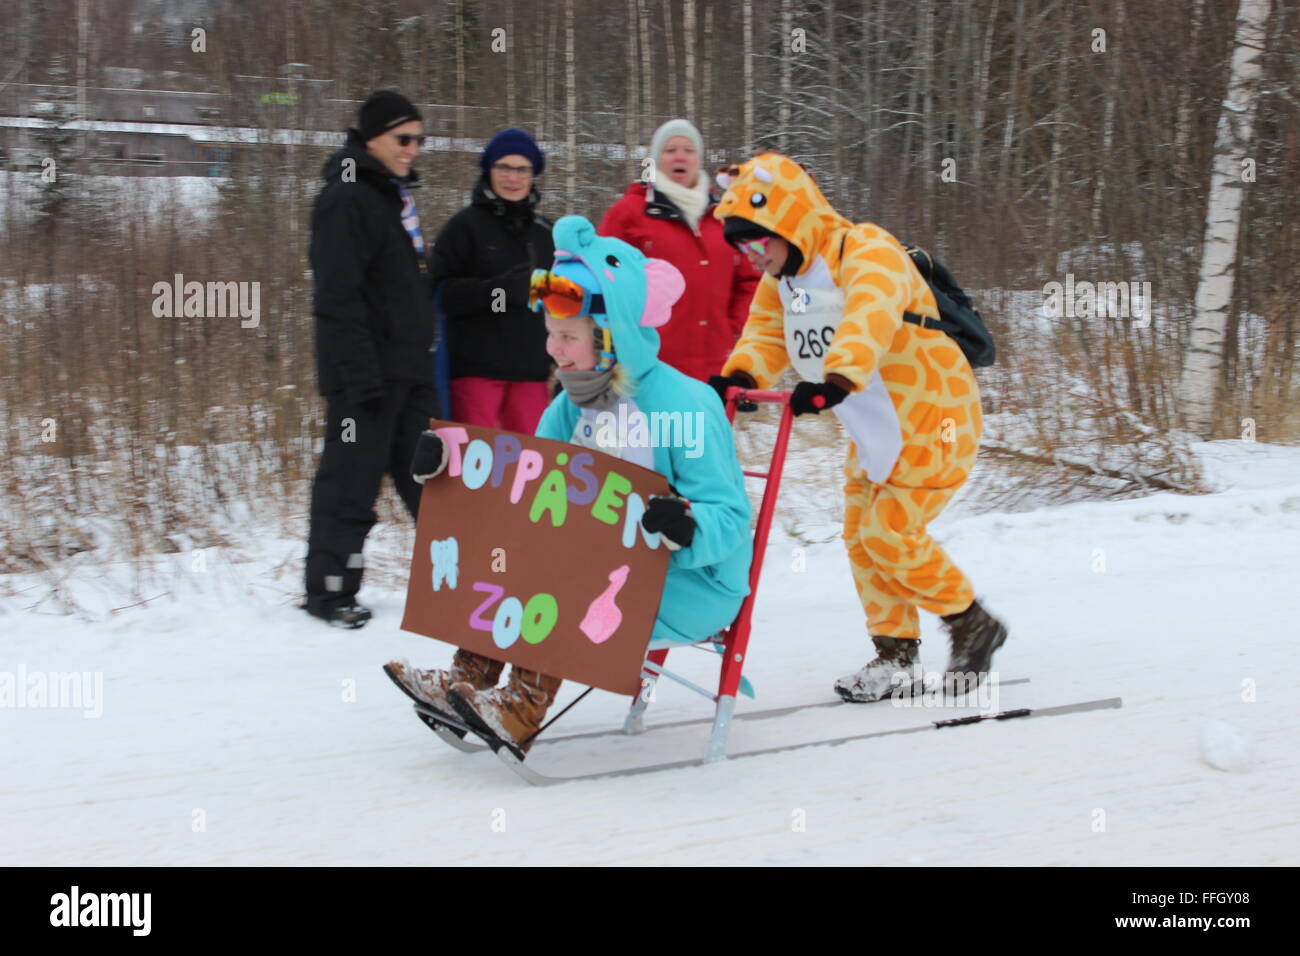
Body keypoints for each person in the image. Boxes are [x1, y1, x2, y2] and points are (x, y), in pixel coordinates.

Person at [387, 214, 753, 758]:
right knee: (514, 551)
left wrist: (686, 521)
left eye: (567, 337)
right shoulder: (568, 407)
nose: (553, 351)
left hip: (694, 581)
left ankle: (521, 706)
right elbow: (521, 494)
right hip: (611, 569)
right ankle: (469, 681)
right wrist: (452, 469)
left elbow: (731, 518)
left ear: (611, 336)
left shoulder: (687, 405)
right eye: (550, 335)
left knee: (565, 569)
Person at [709, 152, 1008, 700]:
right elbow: (765, 334)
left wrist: (836, 379)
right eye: (742, 250)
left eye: (757, 244)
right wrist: (738, 377)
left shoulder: (864, 247)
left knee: (888, 533)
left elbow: (870, 312)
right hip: (872, 425)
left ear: (788, 224)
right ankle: (895, 656)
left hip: (933, 415)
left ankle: (973, 622)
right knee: (862, 539)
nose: (753, 260)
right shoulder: (783, 279)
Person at [303, 89, 440, 629]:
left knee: (435, 484)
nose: (413, 149)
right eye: (403, 139)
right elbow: (337, 296)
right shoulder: (347, 198)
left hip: (408, 372)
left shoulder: (390, 195)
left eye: (419, 140)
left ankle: (464, 582)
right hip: (366, 377)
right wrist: (360, 377)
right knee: (350, 483)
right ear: (371, 137)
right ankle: (331, 591)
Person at [598, 119, 759, 382]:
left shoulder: (725, 214)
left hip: (715, 369)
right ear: (656, 159)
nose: (679, 157)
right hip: (650, 368)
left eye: (688, 150)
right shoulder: (629, 213)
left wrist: (733, 330)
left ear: (699, 159)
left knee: (706, 426)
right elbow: (604, 282)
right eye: (670, 150)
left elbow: (751, 282)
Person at [429, 128, 555, 434]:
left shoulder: (545, 233)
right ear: (489, 170)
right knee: (475, 471)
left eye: (522, 169)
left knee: (532, 471)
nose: (513, 178)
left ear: (533, 175)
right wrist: (497, 292)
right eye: (505, 168)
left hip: (531, 372)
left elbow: (561, 299)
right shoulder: (463, 227)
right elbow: (440, 295)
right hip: (476, 371)